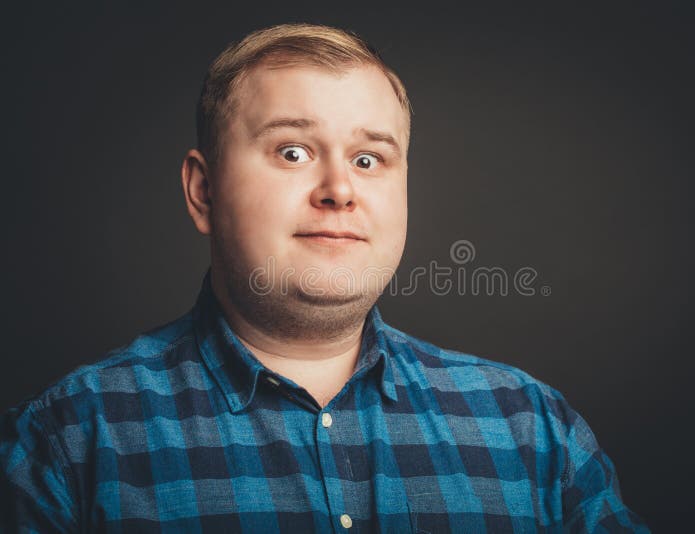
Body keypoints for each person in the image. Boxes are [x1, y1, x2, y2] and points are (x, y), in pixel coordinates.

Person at [0, 23, 649, 533]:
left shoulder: (532, 430)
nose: (340, 189)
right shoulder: (69, 442)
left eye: (369, 158)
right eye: (293, 151)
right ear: (202, 192)